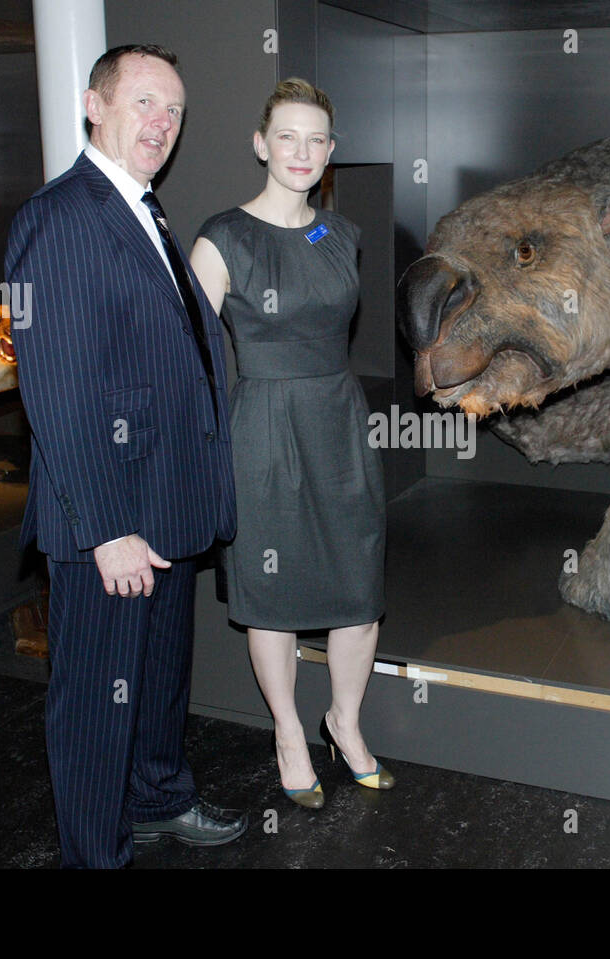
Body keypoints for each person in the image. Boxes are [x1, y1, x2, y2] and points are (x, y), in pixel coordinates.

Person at [6, 44, 243, 867]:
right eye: (144, 102)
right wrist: (106, 529)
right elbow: (60, 393)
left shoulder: (144, 207)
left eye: (174, 110)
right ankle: (94, 855)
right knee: (96, 708)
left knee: (156, 683)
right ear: (94, 106)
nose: (162, 124)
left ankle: (158, 797)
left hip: (165, 504)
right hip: (110, 518)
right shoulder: (63, 216)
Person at [190, 78, 390, 810]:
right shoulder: (222, 238)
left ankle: (345, 719)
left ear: (331, 153)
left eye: (316, 140)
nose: (301, 152)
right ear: (260, 143)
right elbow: (189, 355)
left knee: (359, 594)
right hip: (263, 428)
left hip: (336, 423)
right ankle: (287, 731)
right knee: (270, 599)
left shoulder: (342, 236)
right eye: (287, 136)